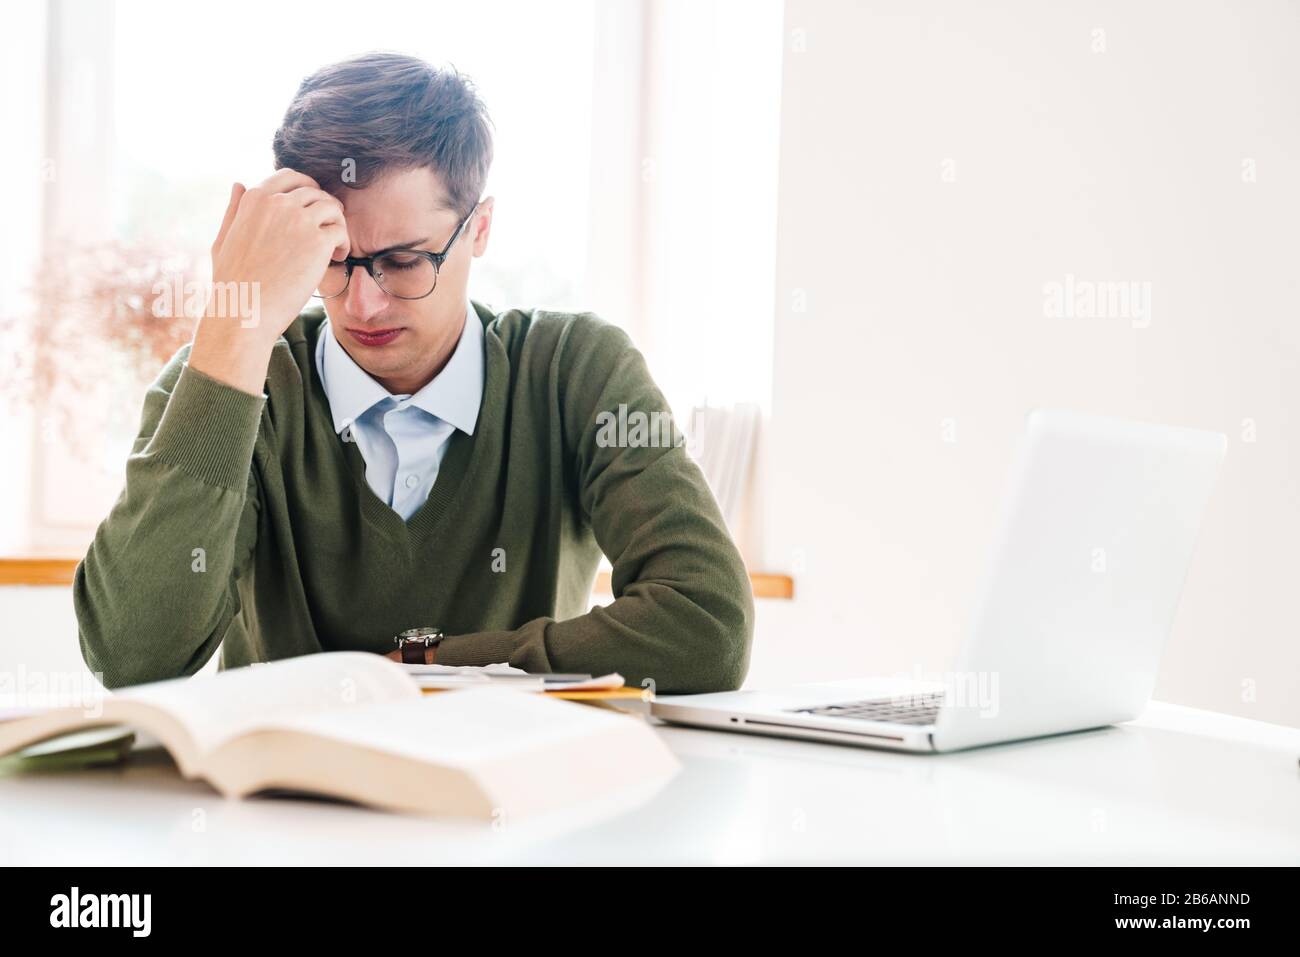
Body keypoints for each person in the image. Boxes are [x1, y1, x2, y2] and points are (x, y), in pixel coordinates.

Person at [73, 52, 753, 694]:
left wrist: (432, 665)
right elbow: (131, 655)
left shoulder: (576, 372)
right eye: (334, 261)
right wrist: (232, 325)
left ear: (479, 229)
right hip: (275, 808)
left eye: (403, 260)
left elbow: (707, 627)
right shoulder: (231, 374)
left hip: (515, 802)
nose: (362, 302)